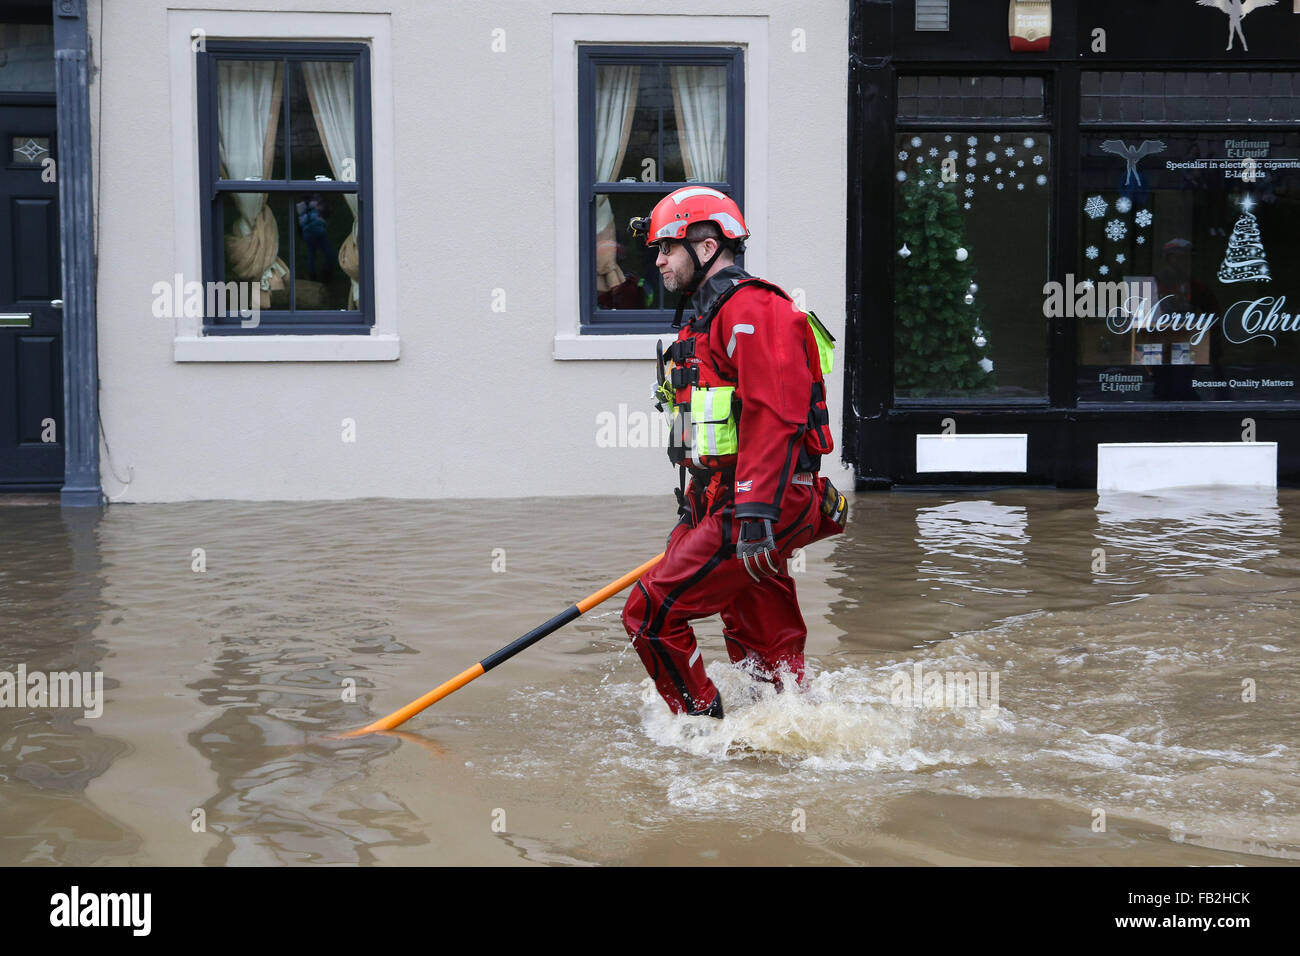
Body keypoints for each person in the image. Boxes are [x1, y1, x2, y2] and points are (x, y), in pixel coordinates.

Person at [621, 186, 848, 718]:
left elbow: (776, 417)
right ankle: (788, 734)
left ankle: (700, 730)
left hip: (762, 506)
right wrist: (698, 509)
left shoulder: (755, 310)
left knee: (650, 615)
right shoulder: (701, 319)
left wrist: (751, 514)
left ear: (705, 248)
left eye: (666, 248)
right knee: (766, 646)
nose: (657, 262)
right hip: (732, 503)